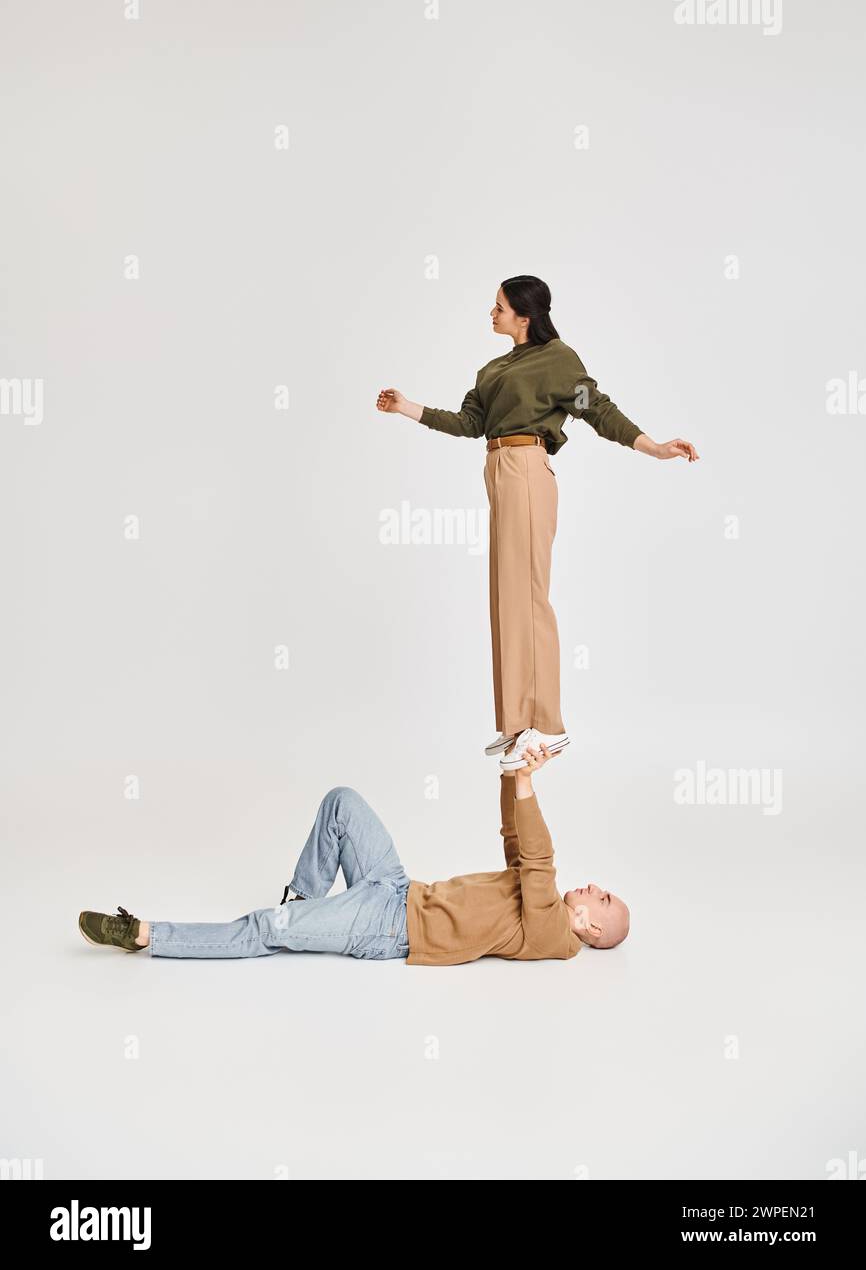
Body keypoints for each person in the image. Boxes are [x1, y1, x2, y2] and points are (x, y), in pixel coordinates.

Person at [376, 274, 699, 767]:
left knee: (528, 595)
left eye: (500, 307)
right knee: (506, 597)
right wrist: (406, 408)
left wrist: (653, 447)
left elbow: (597, 410)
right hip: (499, 469)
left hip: (528, 468)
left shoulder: (558, 360)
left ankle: (546, 725)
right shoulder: (492, 368)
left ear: (525, 317)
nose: (492, 312)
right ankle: (515, 724)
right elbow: (469, 424)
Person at [78, 744, 630, 963]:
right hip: (398, 890)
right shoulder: (542, 905)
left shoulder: (556, 935)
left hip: (389, 930)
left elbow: (537, 862)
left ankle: (146, 934)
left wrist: (530, 781)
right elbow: (518, 842)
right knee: (342, 803)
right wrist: (514, 771)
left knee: (267, 926)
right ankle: (303, 906)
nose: (592, 886)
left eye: (602, 898)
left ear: (593, 929)